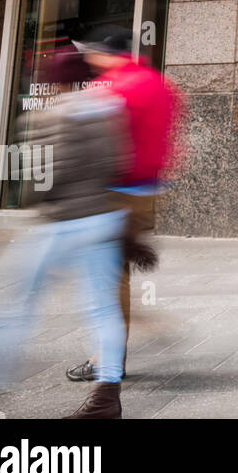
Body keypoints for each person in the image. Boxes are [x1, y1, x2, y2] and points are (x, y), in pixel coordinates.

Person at [0, 50, 129, 420]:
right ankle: (108, 397)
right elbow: (119, 164)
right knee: (103, 309)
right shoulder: (109, 109)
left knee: (12, 306)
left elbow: (43, 179)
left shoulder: (50, 115)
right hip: (102, 221)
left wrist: (32, 203)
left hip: (62, 224)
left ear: (56, 80)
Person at [65, 28, 181, 383]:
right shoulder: (159, 83)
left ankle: (109, 358)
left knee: (107, 279)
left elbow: (98, 145)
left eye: (89, 53)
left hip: (115, 194)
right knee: (113, 273)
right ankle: (113, 349)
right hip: (146, 190)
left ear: (102, 52)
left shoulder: (115, 88)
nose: (87, 60)